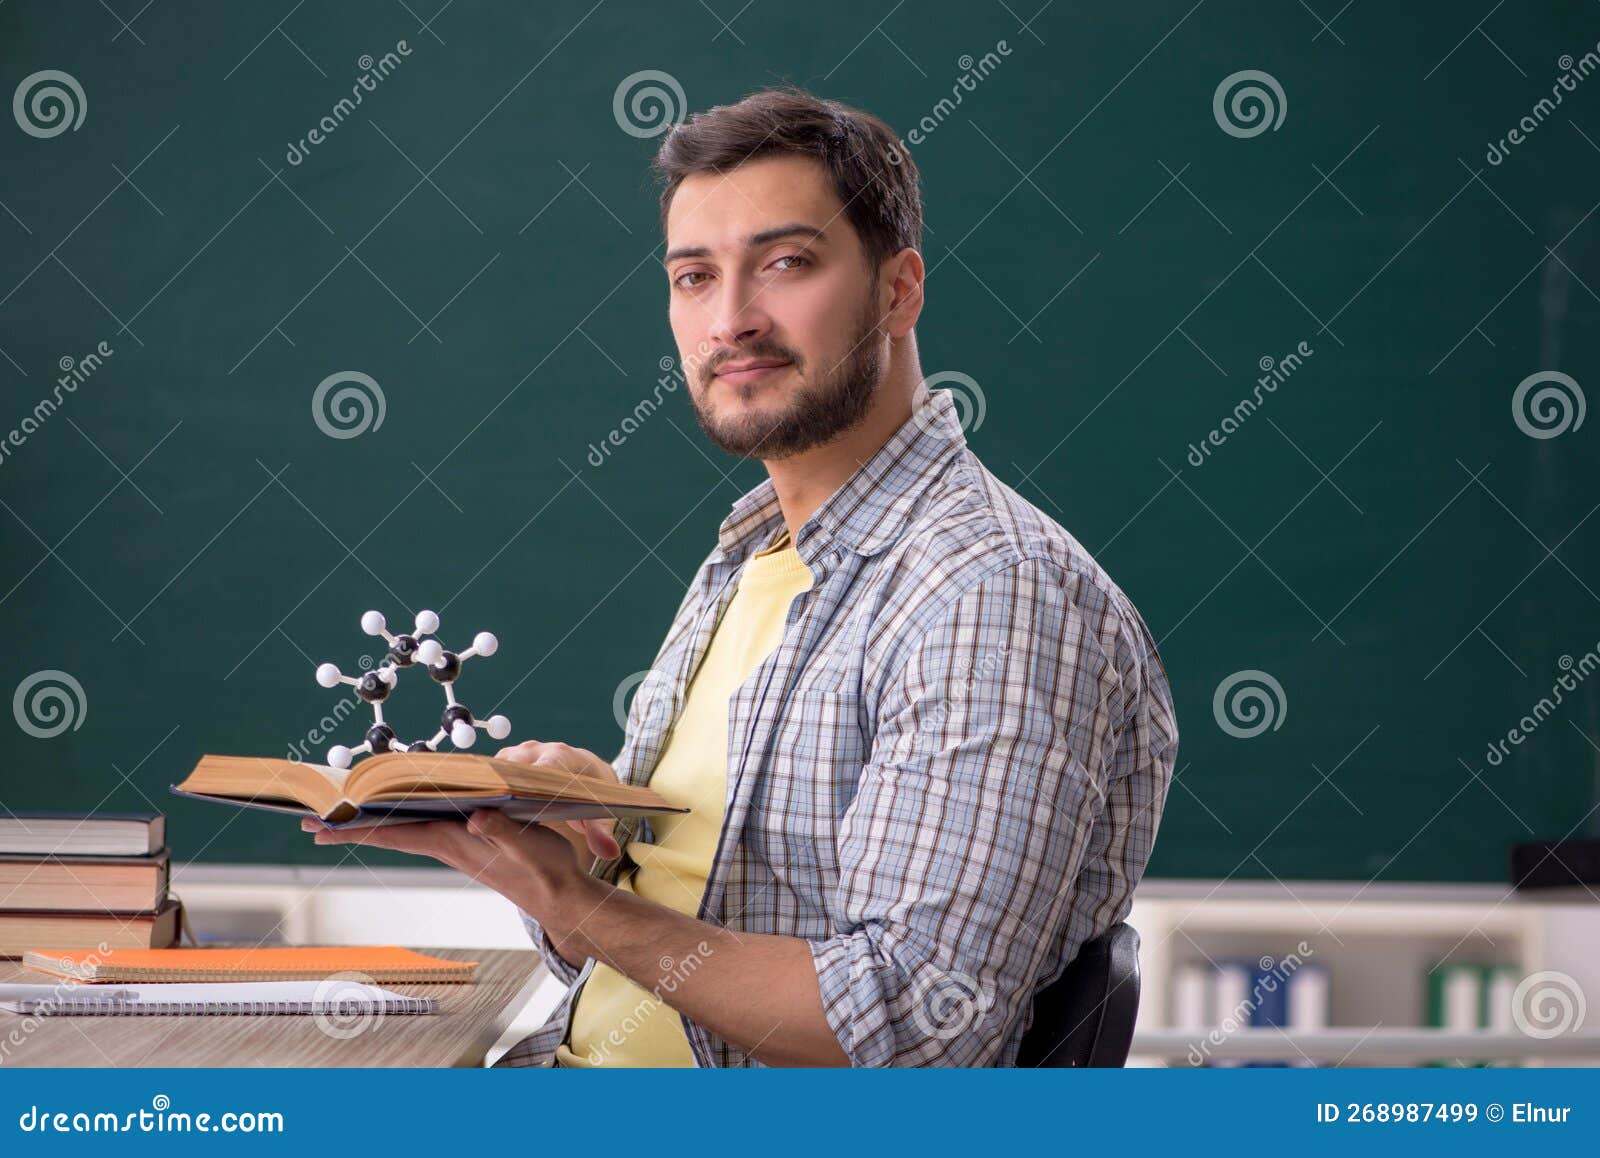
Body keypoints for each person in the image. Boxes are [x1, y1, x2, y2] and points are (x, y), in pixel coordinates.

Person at [305, 86, 1178, 1068]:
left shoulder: (990, 592)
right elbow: (639, 968)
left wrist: (580, 906)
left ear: (899, 290)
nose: (730, 320)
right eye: (694, 277)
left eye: (786, 263)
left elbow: (910, 1025)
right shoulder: (750, 555)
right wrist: (588, 857)